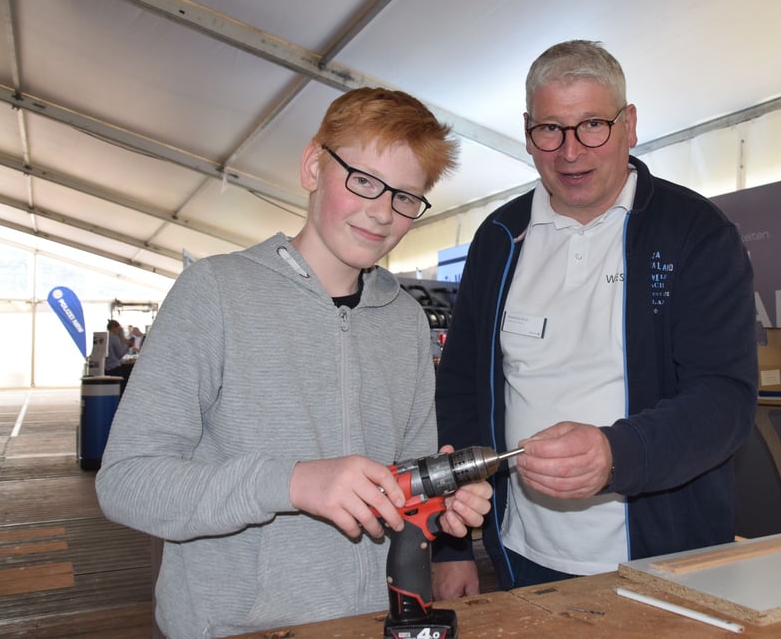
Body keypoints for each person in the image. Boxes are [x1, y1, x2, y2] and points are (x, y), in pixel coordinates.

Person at [95, 87, 492, 638]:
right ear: (312, 167)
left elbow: (403, 482)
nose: (382, 212)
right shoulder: (214, 293)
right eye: (364, 181)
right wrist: (291, 483)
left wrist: (437, 501)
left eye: (406, 196)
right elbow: (126, 483)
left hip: (368, 623)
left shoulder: (404, 320)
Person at [432, 40, 758, 598]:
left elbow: (725, 399)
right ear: (527, 132)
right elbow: (461, 391)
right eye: (550, 129)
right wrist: (452, 546)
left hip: (667, 558)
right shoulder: (499, 239)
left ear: (629, 125)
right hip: (522, 554)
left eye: (592, 126)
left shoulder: (695, 232)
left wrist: (616, 454)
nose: (570, 151)